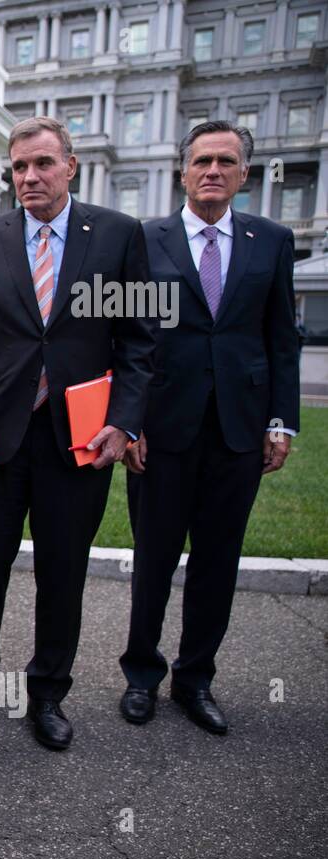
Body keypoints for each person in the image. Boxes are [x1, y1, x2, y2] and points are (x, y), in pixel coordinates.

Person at [0, 117, 155, 750]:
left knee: (63, 575)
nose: (29, 178)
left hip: (80, 442)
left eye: (41, 164)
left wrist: (124, 422)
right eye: (18, 168)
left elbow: (140, 343)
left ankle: (47, 695)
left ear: (70, 164)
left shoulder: (119, 237)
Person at [118, 121, 300, 734]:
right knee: (153, 561)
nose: (213, 170)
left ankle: (195, 681)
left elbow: (281, 339)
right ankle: (141, 676)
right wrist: (128, 420)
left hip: (239, 431)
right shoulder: (145, 239)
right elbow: (129, 341)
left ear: (244, 173)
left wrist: (281, 420)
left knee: (217, 562)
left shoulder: (272, 240)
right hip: (161, 431)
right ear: (183, 170)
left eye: (226, 161)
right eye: (202, 161)